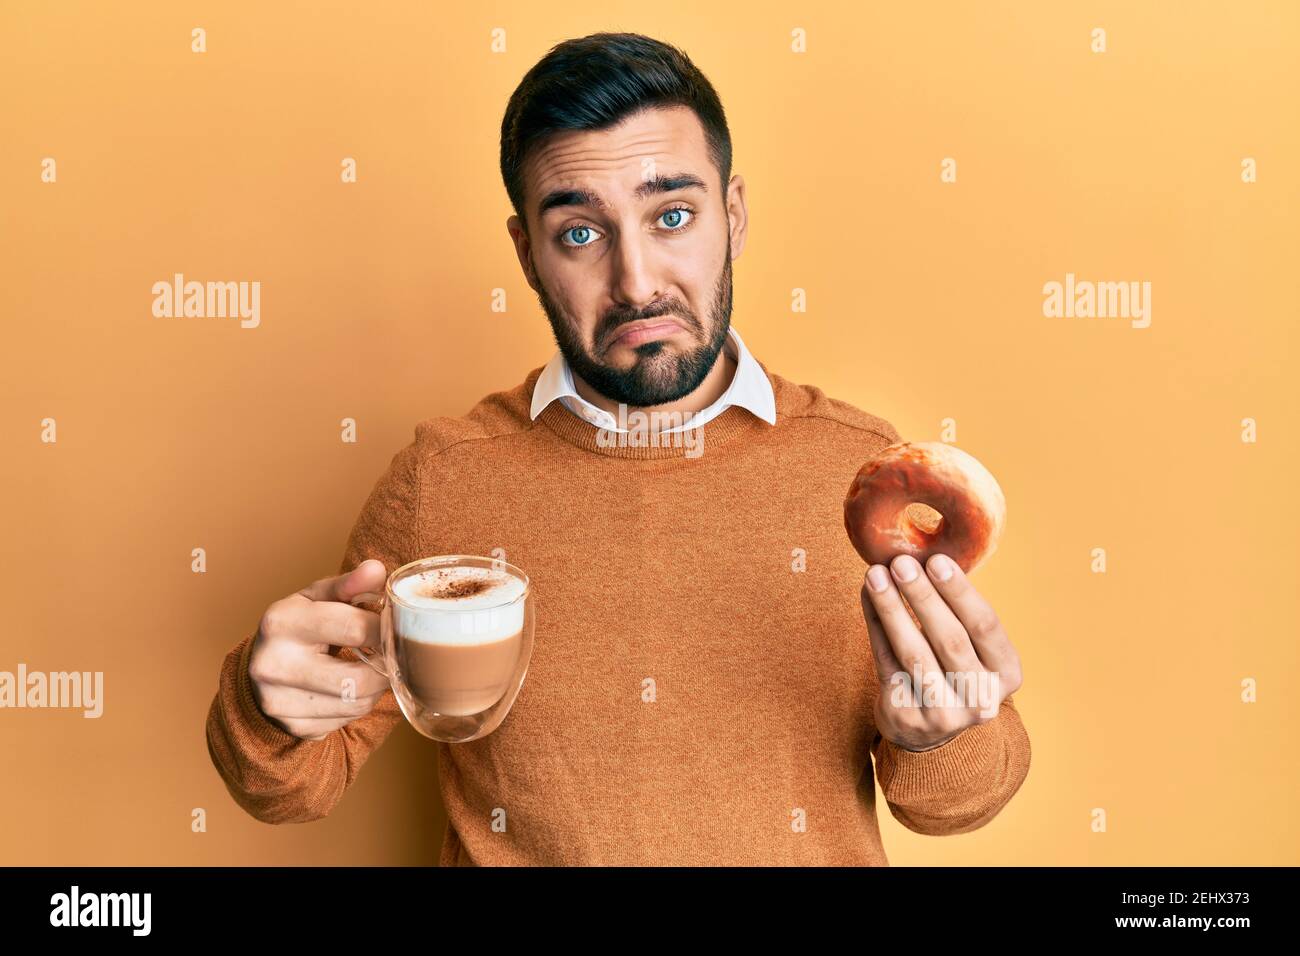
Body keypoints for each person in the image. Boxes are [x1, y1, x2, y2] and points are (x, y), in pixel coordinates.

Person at [205, 31, 1030, 866]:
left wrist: (942, 736)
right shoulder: (442, 478)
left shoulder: (857, 472)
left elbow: (955, 806)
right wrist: (262, 702)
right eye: (579, 235)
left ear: (734, 216)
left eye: (672, 215)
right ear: (526, 254)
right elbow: (293, 785)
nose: (636, 280)